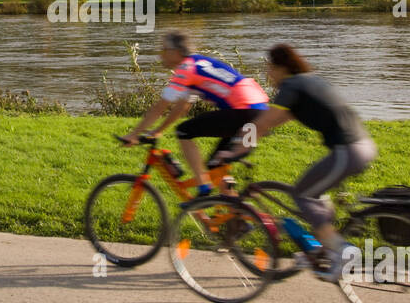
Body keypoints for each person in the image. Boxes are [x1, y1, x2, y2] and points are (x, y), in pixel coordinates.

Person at [213, 43, 376, 281]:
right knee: (317, 197)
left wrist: (233, 151)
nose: (268, 74)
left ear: (280, 68)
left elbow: (263, 122)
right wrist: (247, 140)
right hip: (363, 147)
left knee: (302, 194)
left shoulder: (291, 85)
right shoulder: (310, 81)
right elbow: (273, 122)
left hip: (347, 152)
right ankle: (322, 249)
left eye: (269, 68)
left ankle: (343, 251)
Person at [119, 30, 269, 198]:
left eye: (163, 50)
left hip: (243, 112)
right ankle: (237, 214)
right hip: (260, 115)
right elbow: (182, 107)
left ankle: (202, 185)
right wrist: (159, 130)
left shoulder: (185, 69)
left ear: (175, 52)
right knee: (215, 166)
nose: (160, 55)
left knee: (184, 131)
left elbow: (159, 107)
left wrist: (133, 134)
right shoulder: (199, 63)